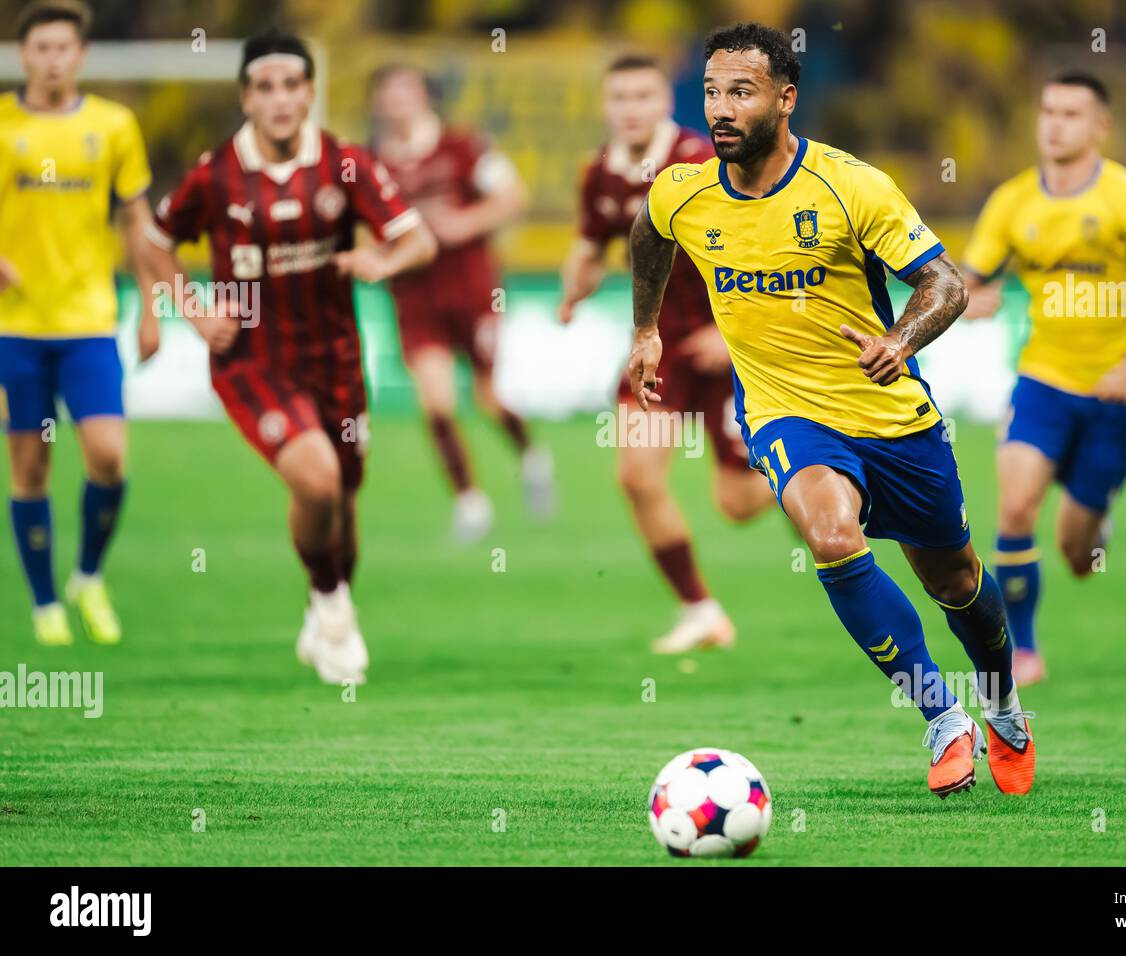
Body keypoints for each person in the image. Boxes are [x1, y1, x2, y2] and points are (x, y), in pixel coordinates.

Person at [629, 23, 1034, 797]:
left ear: (785, 99)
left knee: (954, 581)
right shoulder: (683, 189)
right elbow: (651, 236)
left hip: (891, 416)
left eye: (739, 92)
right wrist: (645, 329)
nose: (720, 108)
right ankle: (940, 714)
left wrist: (900, 340)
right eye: (712, 91)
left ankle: (1002, 702)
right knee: (829, 532)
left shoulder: (852, 186)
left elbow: (946, 284)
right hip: (785, 415)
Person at [143, 31, 435, 684]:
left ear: (309, 93)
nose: (279, 100)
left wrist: (381, 259)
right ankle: (334, 610)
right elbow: (155, 241)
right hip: (252, 359)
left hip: (334, 357)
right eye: (265, 88)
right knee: (315, 478)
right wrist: (190, 308)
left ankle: (323, 602)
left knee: (343, 501)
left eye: (291, 86)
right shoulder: (215, 172)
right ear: (247, 97)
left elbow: (420, 240)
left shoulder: (345, 164)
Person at [963, 73, 1126, 686]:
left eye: (1070, 113)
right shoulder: (1012, 202)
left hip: (1115, 389)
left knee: (1079, 555)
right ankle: (1025, 651)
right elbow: (968, 280)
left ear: (1100, 127)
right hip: (1042, 379)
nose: (1055, 123)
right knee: (1014, 508)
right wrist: (972, 298)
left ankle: (1095, 521)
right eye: (1047, 111)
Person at [559, 54, 771, 654]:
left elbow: (760, 250)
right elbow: (588, 244)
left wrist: (730, 335)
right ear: (607, 105)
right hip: (657, 350)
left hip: (730, 348)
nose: (630, 109)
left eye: (642, 97)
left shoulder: (704, 161)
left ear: (665, 102)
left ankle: (811, 475)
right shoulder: (599, 173)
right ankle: (700, 610)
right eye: (619, 98)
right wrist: (574, 284)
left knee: (737, 503)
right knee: (636, 474)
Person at [0, 0, 159, 646]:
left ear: (81, 55)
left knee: (108, 456)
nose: (53, 59)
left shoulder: (114, 126)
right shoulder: (3, 126)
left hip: (90, 321)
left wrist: (153, 308)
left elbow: (138, 224)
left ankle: (87, 574)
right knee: (31, 468)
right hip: (17, 329)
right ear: (24, 55)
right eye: (41, 48)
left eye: (64, 48)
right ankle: (44, 605)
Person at [370, 64, 551, 542]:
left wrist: (463, 223)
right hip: (413, 296)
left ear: (424, 97)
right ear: (378, 104)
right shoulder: (371, 163)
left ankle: (531, 457)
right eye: (388, 95)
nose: (397, 103)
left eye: (405, 92)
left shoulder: (464, 147)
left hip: (471, 291)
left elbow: (514, 196)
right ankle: (470, 501)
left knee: (487, 397)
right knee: (436, 403)